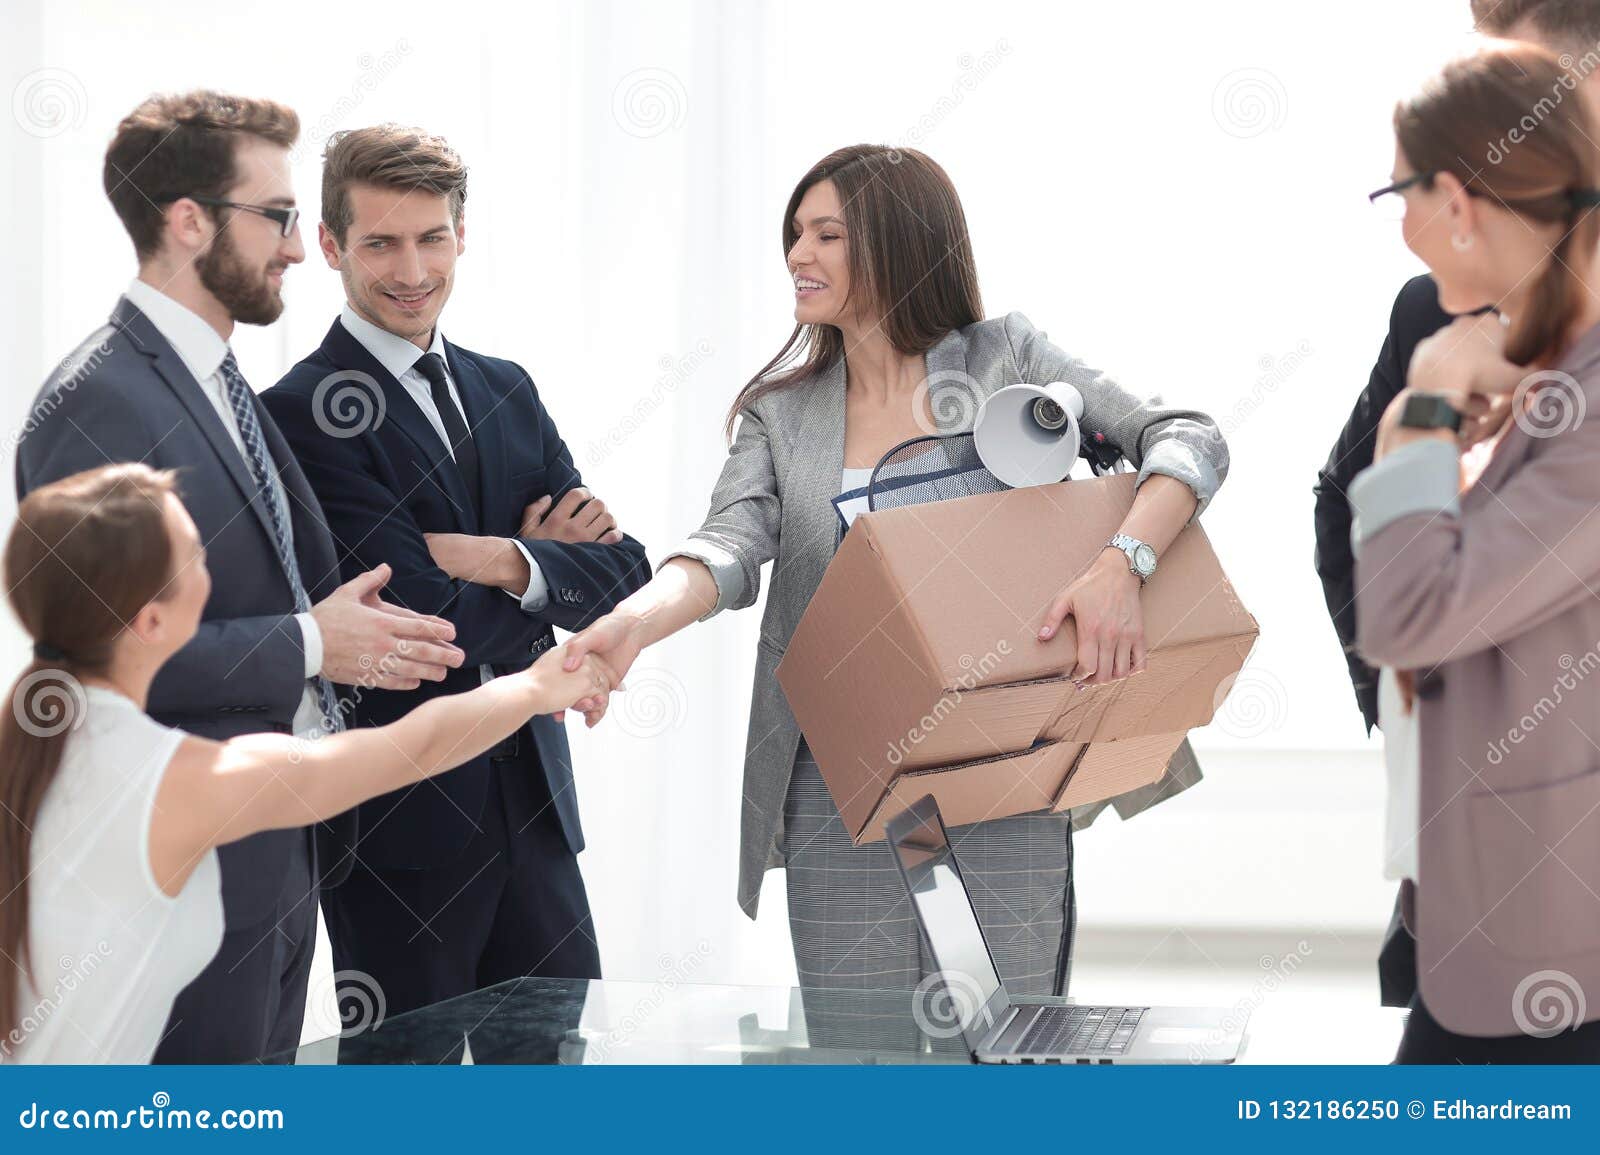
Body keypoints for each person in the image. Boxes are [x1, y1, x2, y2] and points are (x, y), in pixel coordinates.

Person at [561, 145, 1228, 1042]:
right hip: (840, 774)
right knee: (858, 1050)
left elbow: (1186, 437)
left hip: (1001, 762)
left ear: (898, 243)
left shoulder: (1008, 358)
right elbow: (727, 544)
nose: (799, 253)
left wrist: (1122, 564)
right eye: (795, 232)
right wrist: (631, 626)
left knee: (1000, 1051)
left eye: (827, 234)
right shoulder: (781, 411)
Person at [13, 91, 466, 1064]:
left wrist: (356, 641)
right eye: (277, 217)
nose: (301, 249)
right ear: (188, 221)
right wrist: (313, 642)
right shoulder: (97, 403)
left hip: (276, 868)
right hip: (181, 889)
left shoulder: (223, 385)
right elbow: (94, 674)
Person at [0, 464, 616, 1064]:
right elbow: (415, 748)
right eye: (196, 556)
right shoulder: (176, 780)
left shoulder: (39, 749)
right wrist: (537, 688)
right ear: (153, 621)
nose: (215, 567)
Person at [261, 125, 650, 1017]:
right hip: (400, 827)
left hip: (536, 808)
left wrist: (492, 560)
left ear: (461, 235)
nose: (412, 268)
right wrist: (545, 569)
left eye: (432, 237)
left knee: (562, 1075)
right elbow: (417, 627)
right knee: (408, 1099)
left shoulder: (505, 387)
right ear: (330, 246)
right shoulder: (299, 415)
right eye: (380, 243)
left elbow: (623, 571)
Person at [1313, 0, 1600, 1012]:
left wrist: (1427, 409)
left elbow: (1413, 612)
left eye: (1399, 190)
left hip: (1547, 903)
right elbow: (1346, 509)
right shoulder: (1464, 319)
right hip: (1471, 862)